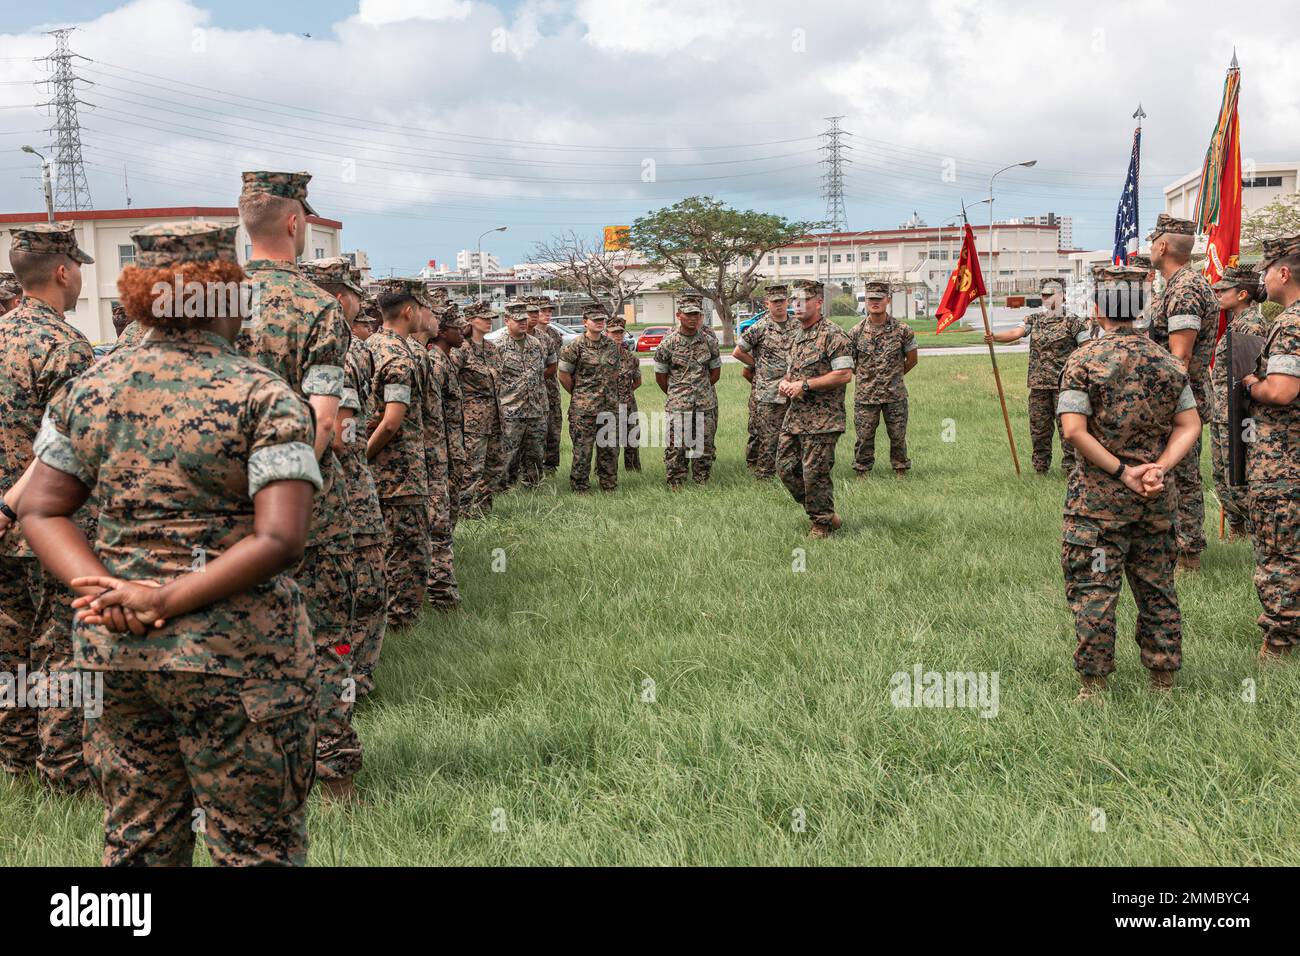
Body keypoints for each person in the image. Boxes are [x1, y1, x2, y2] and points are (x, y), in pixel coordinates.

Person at [18, 221, 320, 864]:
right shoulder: (263, 396)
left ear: (135, 299)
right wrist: (168, 598)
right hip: (237, 658)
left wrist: (102, 591)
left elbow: (41, 510)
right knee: (254, 845)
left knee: (138, 836)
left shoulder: (87, 393)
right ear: (229, 299)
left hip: (115, 651)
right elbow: (281, 537)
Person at [236, 170, 359, 796]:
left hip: (220, 515)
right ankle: (331, 770)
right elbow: (322, 422)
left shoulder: (206, 300)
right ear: (294, 223)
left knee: (237, 638)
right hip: (302, 511)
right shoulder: (317, 308)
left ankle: (247, 772)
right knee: (328, 636)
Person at [1057, 266, 1202, 700]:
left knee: (1096, 590)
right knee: (1157, 587)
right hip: (1155, 503)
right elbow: (1190, 425)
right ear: (1141, 311)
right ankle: (1163, 681)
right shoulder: (1168, 363)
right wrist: (1158, 466)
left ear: (1098, 310)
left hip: (1098, 508)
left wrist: (1123, 472)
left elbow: (1073, 430)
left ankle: (1094, 687)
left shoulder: (1083, 360)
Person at [0, 223, 95, 792]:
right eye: (77, 265)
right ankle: (63, 770)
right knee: (62, 645)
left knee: (8, 640)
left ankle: (14, 758)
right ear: (62, 271)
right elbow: (63, 446)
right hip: (47, 522)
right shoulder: (65, 347)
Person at [304, 261, 388, 701]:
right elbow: (340, 433)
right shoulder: (343, 348)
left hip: (290, 497)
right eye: (357, 297)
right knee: (362, 592)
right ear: (341, 298)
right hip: (345, 492)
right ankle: (351, 686)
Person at [1145, 213, 1219, 570]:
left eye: (1151, 242)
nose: (1149, 248)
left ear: (1162, 245)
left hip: (1180, 403)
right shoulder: (1178, 285)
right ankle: (1175, 547)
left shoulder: (1186, 289)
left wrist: (1160, 404)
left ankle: (1188, 554)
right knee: (1174, 475)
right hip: (1177, 401)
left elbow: (1181, 356)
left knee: (1183, 477)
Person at [1241, 234, 1300, 661]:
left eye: (1266, 269)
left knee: (1280, 551)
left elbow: (1281, 391)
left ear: (1283, 272)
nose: (1262, 276)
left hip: (1285, 464)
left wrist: (1251, 383)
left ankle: (1280, 643)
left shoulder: (1292, 323)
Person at [366, 279, 432, 638]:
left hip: (379, 472)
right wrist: (364, 457)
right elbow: (392, 422)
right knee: (409, 555)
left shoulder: (369, 346)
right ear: (409, 311)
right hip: (400, 474)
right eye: (421, 307)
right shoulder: (399, 357)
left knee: (382, 549)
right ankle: (399, 627)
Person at [986, 277, 1089, 473]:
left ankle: (1072, 469)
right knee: (1039, 429)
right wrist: (995, 337)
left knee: (1067, 429)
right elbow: (1016, 333)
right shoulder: (1034, 320)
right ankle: (1040, 468)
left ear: (1061, 297)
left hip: (1065, 386)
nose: (1045, 298)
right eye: (1043, 295)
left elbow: (1087, 348)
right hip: (1039, 386)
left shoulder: (1073, 322)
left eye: (1049, 295)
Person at [776, 279, 854, 537]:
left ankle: (821, 523)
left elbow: (843, 375)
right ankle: (826, 514)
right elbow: (795, 373)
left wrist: (805, 385)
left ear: (819, 302)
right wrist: (786, 383)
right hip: (796, 417)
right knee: (785, 468)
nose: (797, 306)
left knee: (815, 474)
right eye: (794, 301)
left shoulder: (834, 335)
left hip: (824, 420)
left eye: (804, 300)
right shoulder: (796, 335)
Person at [1208, 265, 1268, 541]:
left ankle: (1255, 532)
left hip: (1239, 413)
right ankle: (1238, 529)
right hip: (1223, 411)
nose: (1218, 293)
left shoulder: (1251, 324)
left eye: (1224, 289)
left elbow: (1247, 375)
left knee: (1239, 476)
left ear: (1243, 294)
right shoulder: (1236, 322)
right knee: (1223, 476)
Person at [850, 281, 919, 478]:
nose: (875, 303)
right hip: (866, 396)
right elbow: (850, 362)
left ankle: (900, 470)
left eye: (879, 299)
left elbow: (912, 360)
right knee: (864, 437)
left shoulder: (903, 330)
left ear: (887, 300)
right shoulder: (856, 332)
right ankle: (862, 471)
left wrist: (894, 376)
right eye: (871, 299)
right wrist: (866, 378)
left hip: (894, 394)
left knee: (898, 435)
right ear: (866, 301)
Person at [655, 297, 721, 488]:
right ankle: (676, 483)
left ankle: (702, 482)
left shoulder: (709, 342)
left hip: (705, 403)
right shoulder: (668, 344)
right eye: (688, 314)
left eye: (696, 314)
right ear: (679, 315)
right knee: (677, 447)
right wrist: (677, 393)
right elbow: (660, 376)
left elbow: (715, 372)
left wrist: (702, 389)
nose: (692, 318)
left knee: (704, 445)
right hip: (678, 404)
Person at [427, 305, 466, 610]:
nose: (463, 331)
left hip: (452, 453)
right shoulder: (435, 363)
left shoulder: (447, 360)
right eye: (457, 327)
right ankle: (439, 594)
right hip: (439, 454)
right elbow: (432, 415)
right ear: (442, 332)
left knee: (448, 519)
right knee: (438, 525)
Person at [557, 308, 621, 493]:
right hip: (583, 409)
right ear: (585, 322)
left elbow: (614, 373)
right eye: (595, 320)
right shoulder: (575, 346)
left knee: (609, 449)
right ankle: (580, 487)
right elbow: (564, 376)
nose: (599, 323)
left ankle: (609, 485)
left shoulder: (610, 345)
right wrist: (581, 395)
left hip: (608, 406)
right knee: (582, 450)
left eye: (601, 320)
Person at [734, 284, 794, 479]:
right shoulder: (759, 327)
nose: (779, 305)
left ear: (788, 302)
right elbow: (738, 352)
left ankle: (791, 471)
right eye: (774, 302)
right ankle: (765, 476)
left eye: (782, 301)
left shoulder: (797, 326)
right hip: (768, 392)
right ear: (767, 303)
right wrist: (758, 365)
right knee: (768, 437)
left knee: (793, 433)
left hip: (794, 390)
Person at [451, 301, 504, 515]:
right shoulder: (460, 349)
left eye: (491, 318)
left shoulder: (492, 349)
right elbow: (450, 382)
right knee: (472, 467)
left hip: (495, 417)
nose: (489, 322)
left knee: (494, 465)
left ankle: (483, 509)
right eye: (484, 318)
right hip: (471, 419)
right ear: (471, 320)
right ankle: (463, 510)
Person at [496, 300, 550, 490]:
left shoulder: (536, 344)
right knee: (507, 454)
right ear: (507, 320)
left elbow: (543, 371)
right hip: (510, 409)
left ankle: (534, 486)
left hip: (535, 409)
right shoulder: (498, 346)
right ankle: (503, 488)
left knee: (536, 452)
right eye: (518, 320)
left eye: (524, 320)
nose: (523, 323)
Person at [533, 298, 565, 475]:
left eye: (549, 311)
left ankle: (550, 465)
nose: (547, 314)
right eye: (542, 311)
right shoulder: (528, 334)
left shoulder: (554, 335)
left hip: (551, 387)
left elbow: (556, 363)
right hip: (530, 390)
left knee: (554, 428)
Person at [608, 314, 642, 472]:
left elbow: (637, 382)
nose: (618, 335)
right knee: (607, 441)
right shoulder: (600, 357)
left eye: (620, 332)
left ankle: (633, 471)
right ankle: (605, 471)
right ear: (606, 333)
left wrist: (624, 393)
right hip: (607, 405)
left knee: (632, 439)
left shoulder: (631, 358)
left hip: (628, 404)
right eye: (614, 332)